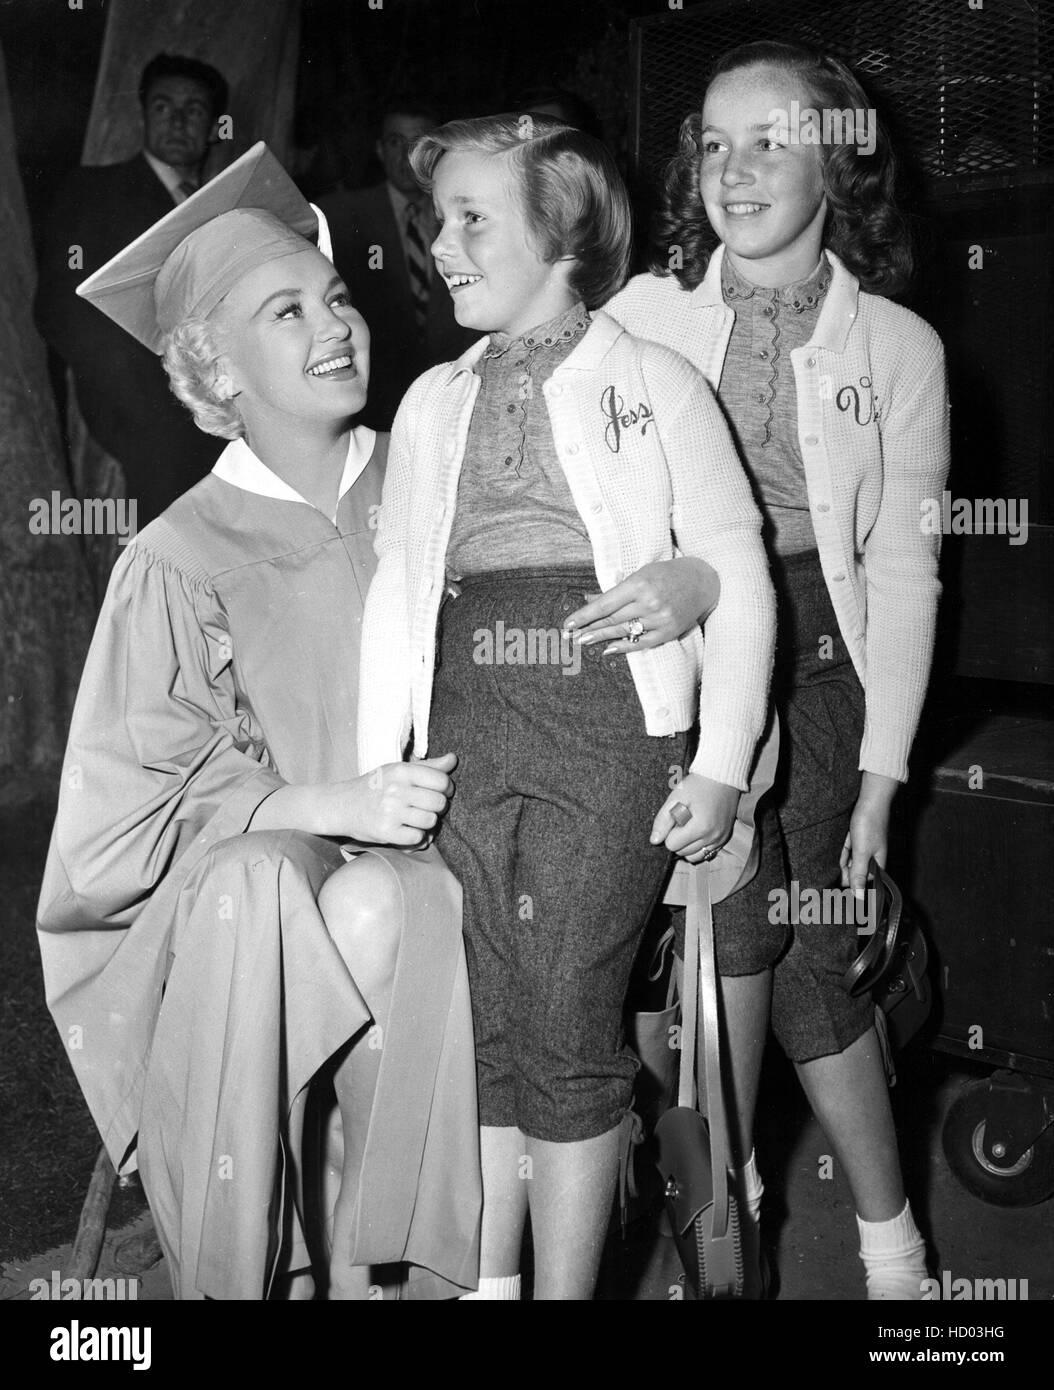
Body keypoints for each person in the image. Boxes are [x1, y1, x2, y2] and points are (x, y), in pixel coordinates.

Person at [36, 143, 480, 1301]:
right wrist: (319, 806)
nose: (335, 326)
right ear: (215, 373)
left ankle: (390, 1273)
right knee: (262, 890)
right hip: (263, 898)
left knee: (401, 902)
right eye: (286, 311)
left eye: (335, 297)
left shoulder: (437, 477)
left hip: (461, 850)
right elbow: (120, 833)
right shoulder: (179, 557)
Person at [357, 113, 776, 1300]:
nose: (440, 242)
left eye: (472, 217)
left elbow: (734, 575)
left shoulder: (653, 380)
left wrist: (721, 763)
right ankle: (495, 1284)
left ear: (562, 232)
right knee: (485, 1017)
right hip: (463, 725)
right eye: (438, 219)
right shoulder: (433, 398)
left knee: (567, 1017)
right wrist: (370, 769)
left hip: (608, 728)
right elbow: (397, 595)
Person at [606, 40, 951, 1299]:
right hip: (691, 648)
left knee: (799, 946)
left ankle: (861, 1250)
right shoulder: (639, 314)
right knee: (738, 928)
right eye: (712, 141)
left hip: (822, 652)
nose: (733, 169)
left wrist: (878, 780)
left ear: (838, 158)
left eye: (771, 139)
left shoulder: (900, 347)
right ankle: (744, 1220)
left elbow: (906, 573)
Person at [35, 54, 230, 527]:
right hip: (150, 424)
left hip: (232, 415)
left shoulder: (225, 200)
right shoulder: (94, 191)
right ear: (143, 116)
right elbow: (59, 308)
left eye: (195, 110)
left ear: (213, 125)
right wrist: (138, 403)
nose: (179, 121)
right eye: (164, 107)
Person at [319, 100, 475, 431]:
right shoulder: (341, 216)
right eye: (395, 142)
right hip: (374, 401)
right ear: (379, 149)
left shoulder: (469, 215)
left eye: (418, 142)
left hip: (454, 394)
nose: (406, 155)